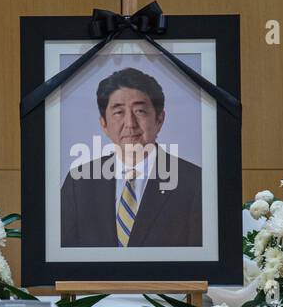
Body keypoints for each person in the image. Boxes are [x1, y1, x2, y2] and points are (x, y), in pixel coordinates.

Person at [60, 67, 202, 247]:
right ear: (104, 123)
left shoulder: (195, 182)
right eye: (118, 112)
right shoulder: (78, 182)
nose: (130, 124)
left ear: (159, 119)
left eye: (140, 111)